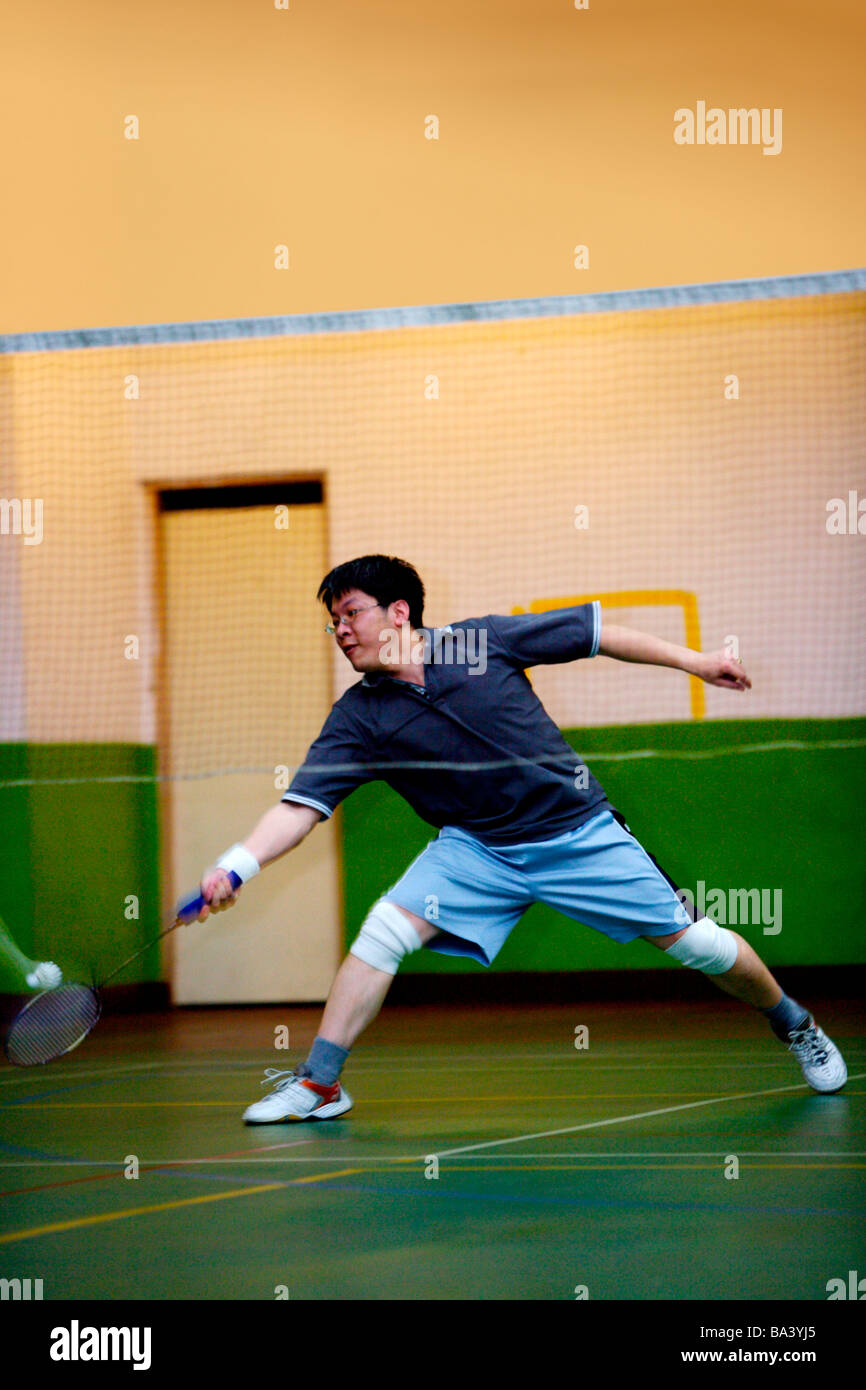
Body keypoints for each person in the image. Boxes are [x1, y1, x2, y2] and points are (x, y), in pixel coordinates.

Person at [196, 554, 847, 1123]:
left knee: (702, 946)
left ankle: (794, 1022)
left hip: (578, 832)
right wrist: (236, 866)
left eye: (350, 614)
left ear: (399, 612)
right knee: (383, 933)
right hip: (475, 849)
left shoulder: (481, 643)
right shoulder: (359, 718)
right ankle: (319, 1082)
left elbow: (599, 634)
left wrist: (697, 663)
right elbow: (299, 809)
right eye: (332, 621)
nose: (340, 630)